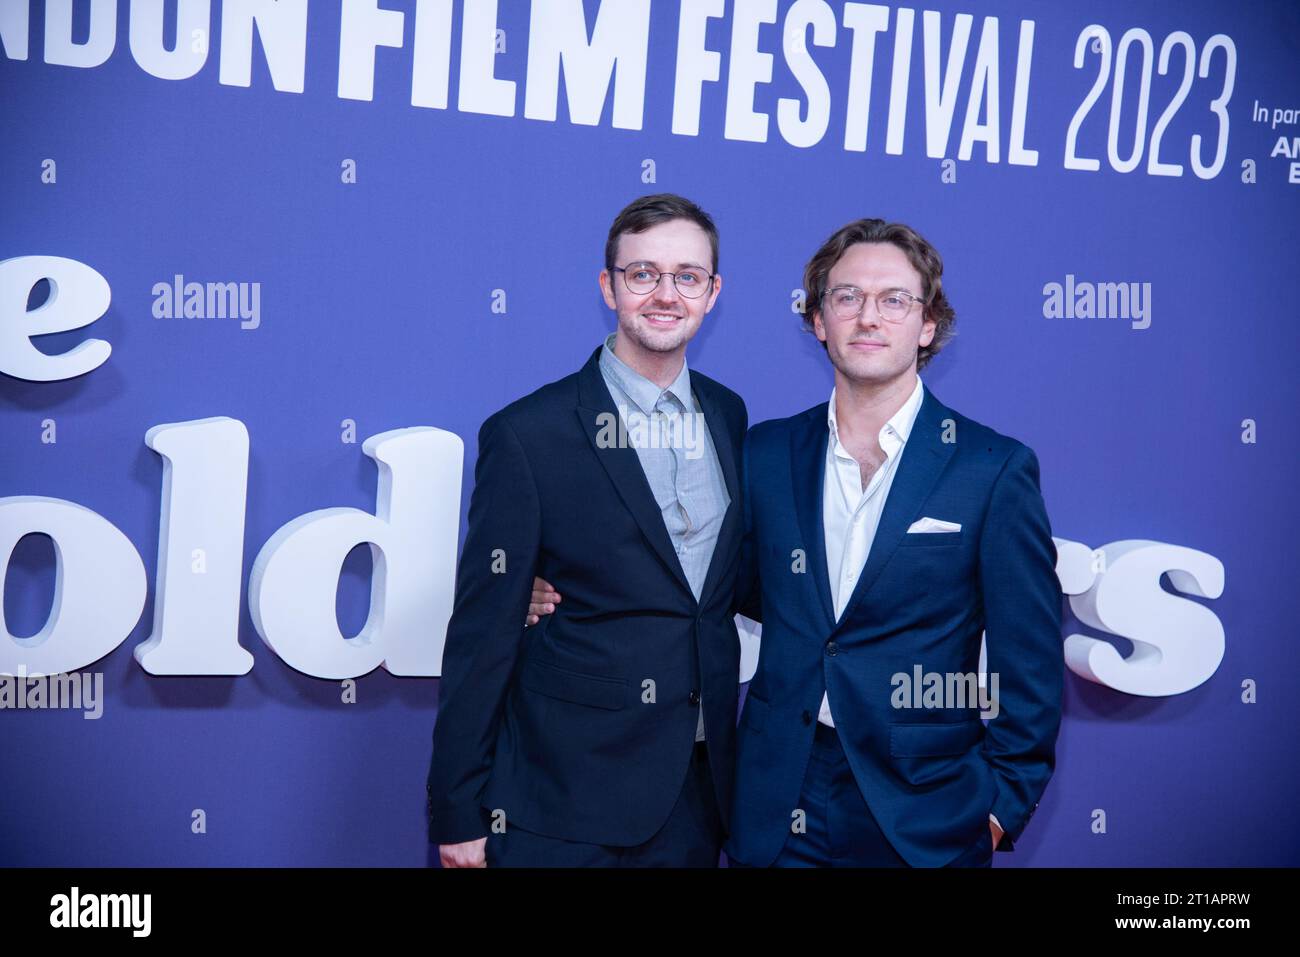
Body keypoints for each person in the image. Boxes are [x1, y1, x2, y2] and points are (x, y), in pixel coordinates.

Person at [530, 217, 1063, 867]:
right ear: (818, 321)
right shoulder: (766, 453)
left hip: (925, 810)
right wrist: (550, 586)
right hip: (778, 802)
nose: (869, 316)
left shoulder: (991, 468)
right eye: (846, 297)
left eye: (894, 298)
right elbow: (709, 581)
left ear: (927, 325)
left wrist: (1000, 809)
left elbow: (1029, 664)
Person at [427, 193, 747, 867]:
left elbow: (719, 582)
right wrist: (457, 808)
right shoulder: (528, 434)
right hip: (566, 803)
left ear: (713, 293)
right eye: (643, 274)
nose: (666, 294)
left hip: (699, 796)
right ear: (609, 286)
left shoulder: (729, 415)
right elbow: (481, 635)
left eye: (688, 276)